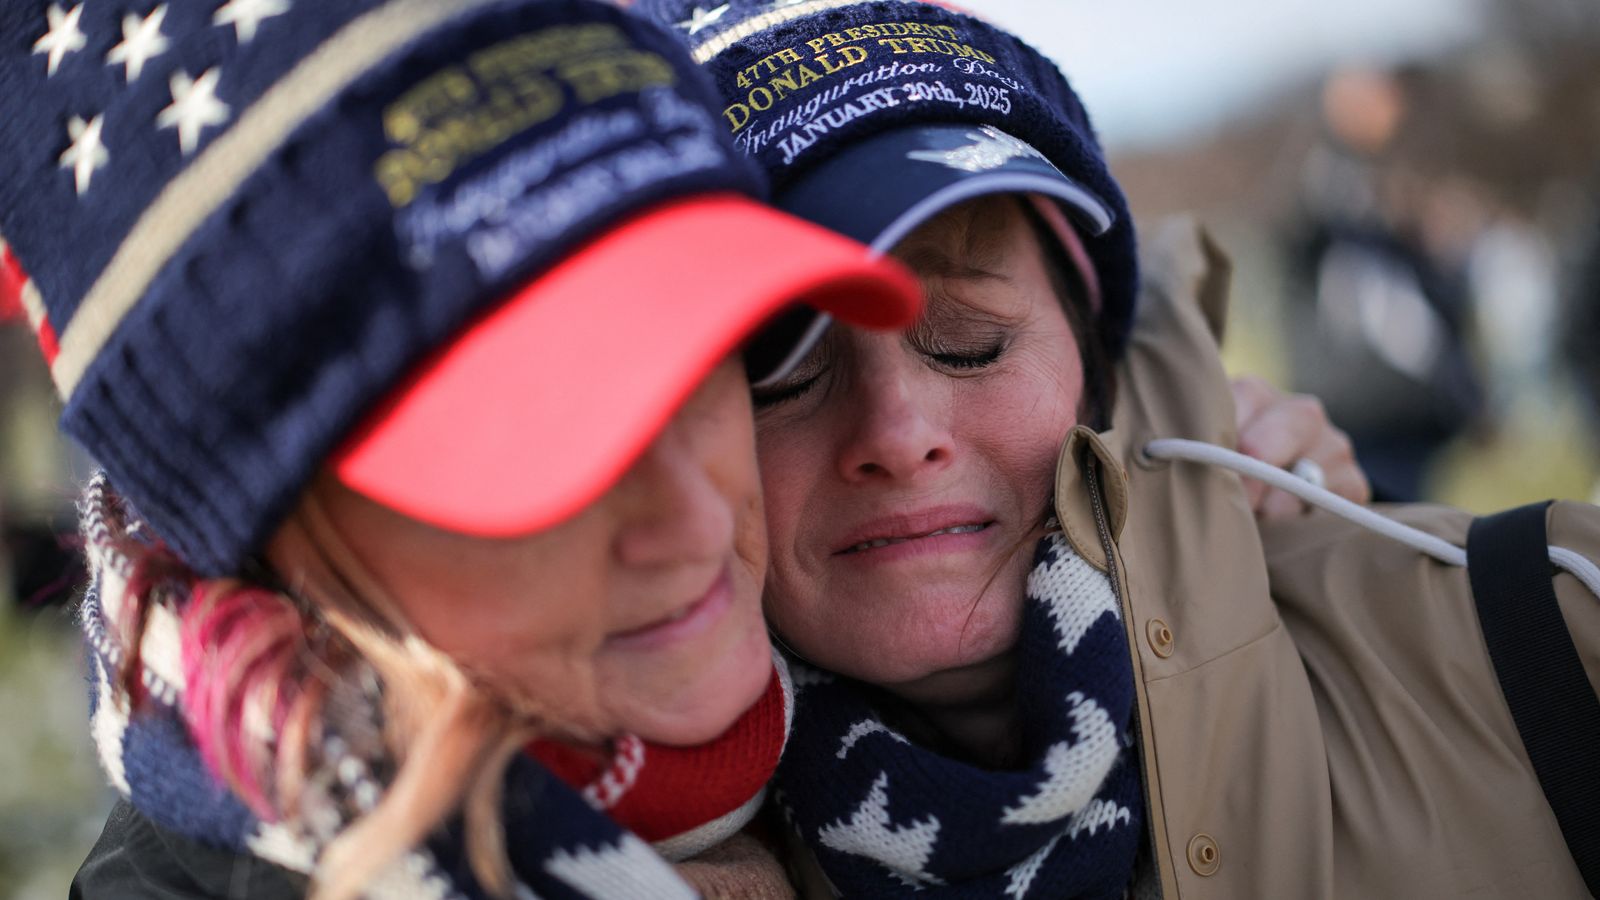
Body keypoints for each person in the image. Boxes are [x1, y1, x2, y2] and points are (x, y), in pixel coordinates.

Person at [635, 1, 1600, 897]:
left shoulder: (1554, 629)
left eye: (970, 341)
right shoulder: (586, 836)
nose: (897, 435)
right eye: (782, 371)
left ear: (1095, 360)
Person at [0, 1, 925, 897]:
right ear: (269, 544)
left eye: (702, 358)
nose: (694, 520)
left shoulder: (933, 729)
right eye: (540, 435)